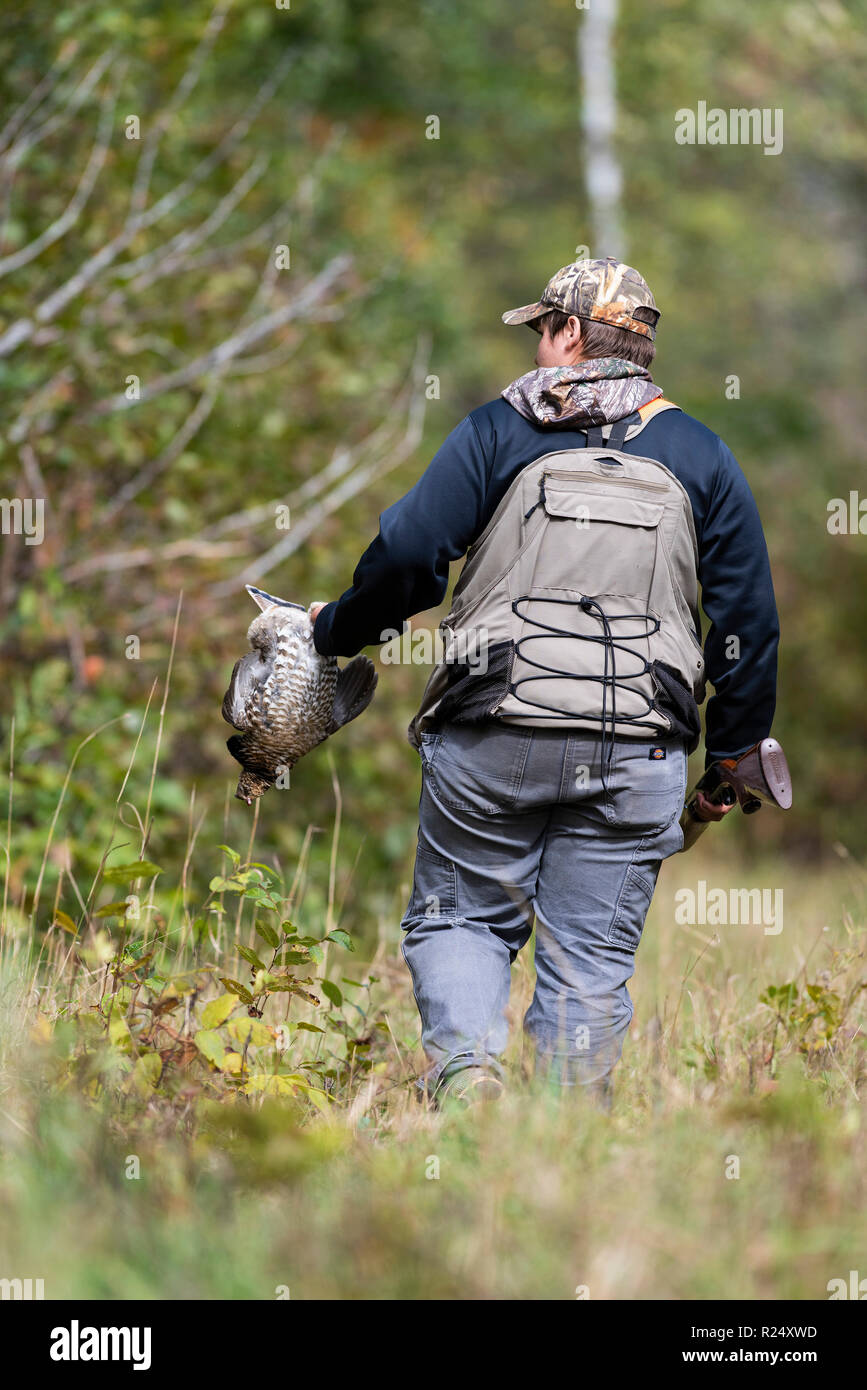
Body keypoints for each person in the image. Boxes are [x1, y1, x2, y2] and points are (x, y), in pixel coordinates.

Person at [310, 257, 779, 1105]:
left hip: (492, 729)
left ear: (568, 333)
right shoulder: (701, 453)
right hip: (637, 748)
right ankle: (565, 1132)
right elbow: (746, 622)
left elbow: (412, 555)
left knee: (462, 917)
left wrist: (336, 633)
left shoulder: (497, 430)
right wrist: (732, 757)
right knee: (592, 953)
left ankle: (467, 1080)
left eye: (541, 331)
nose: (536, 349)